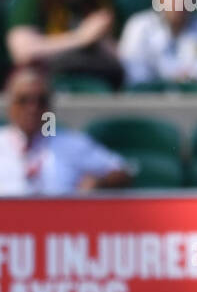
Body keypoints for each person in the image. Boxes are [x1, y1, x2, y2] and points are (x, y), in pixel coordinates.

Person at [0, 64, 131, 195]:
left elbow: (121, 170)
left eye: (41, 101)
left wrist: (100, 182)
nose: (33, 108)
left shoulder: (70, 143)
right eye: (23, 100)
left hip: (59, 214)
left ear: (49, 107)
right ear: (10, 105)